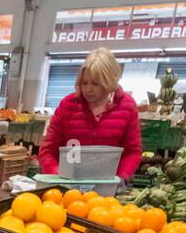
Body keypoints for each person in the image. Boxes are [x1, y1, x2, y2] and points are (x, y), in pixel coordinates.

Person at [39, 48, 142, 180]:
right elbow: (48, 150)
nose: (88, 89)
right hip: (68, 185)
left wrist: (120, 178)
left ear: (110, 82)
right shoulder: (68, 105)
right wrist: (56, 175)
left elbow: (132, 152)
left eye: (95, 84)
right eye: (84, 83)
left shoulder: (127, 106)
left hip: (107, 187)